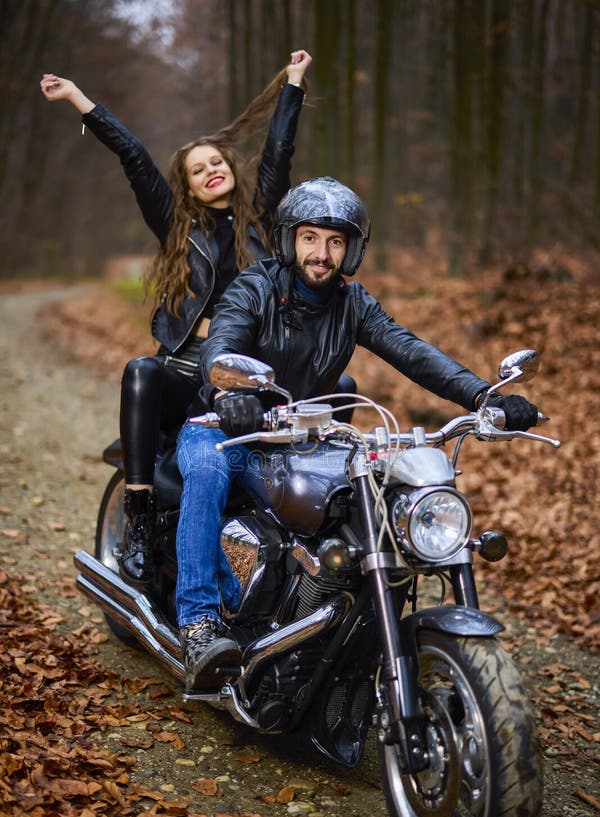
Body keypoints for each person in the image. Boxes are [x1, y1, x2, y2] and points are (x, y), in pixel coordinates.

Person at [174, 176, 540, 691]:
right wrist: (227, 392)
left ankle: (331, 622)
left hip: (299, 437)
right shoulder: (254, 287)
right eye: (310, 238)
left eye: (335, 242)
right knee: (208, 469)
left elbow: (410, 351)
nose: (321, 254)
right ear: (289, 240)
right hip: (223, 427)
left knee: (365, 488)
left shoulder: (352, 304)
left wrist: (485, 397)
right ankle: (199, 624)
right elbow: (224, 340)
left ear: (350, 250)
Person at [39, 51, 313, 588]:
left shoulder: (262, 224)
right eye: (197, 169)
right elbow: (135, 157)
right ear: (186, 187)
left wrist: (294, 84)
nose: (211, 171)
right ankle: (139, 517)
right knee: (141, 371)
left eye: (217, 163)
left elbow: (279, 152)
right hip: (191, 373)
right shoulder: (177, 227)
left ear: (231, 172)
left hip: (257, 373)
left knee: (339, 387)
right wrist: (77, 99)